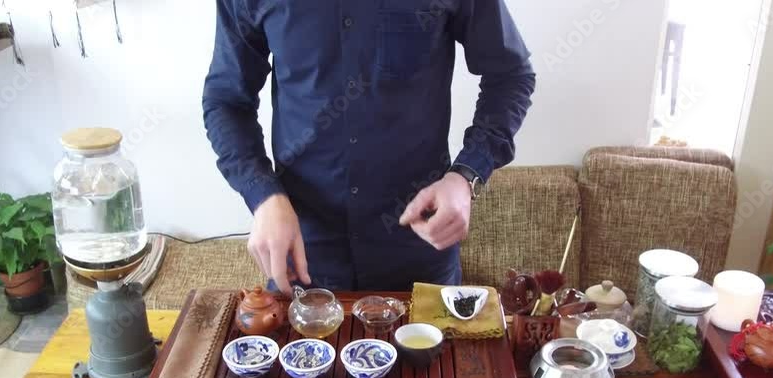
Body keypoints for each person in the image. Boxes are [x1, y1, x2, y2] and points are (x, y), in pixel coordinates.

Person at [203, 0, 535, 294]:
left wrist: (466, 176)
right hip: (303, 256)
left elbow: (510, 76)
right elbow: (226, 101)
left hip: (419, 249)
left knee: (435, 368)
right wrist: (263, 196)